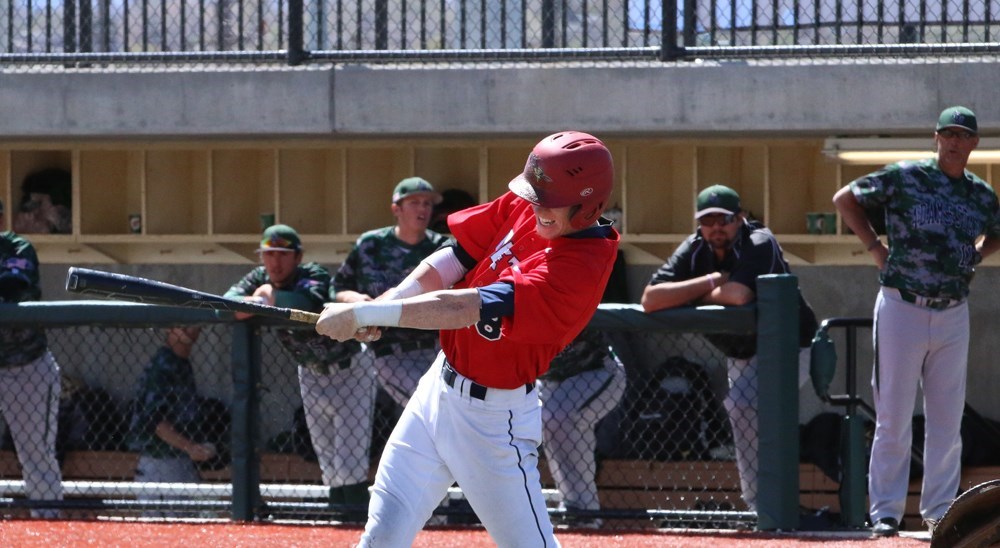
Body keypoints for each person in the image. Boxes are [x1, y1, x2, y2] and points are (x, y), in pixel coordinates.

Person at [316, 130, 620, 546]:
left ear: (588, 205)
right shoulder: (530, 200)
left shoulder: (581, 266)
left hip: (493, 423)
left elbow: (464, 307)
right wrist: (391, 300)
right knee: (382, 534)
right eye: (536, 197)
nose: (536, 208)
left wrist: (368, 313)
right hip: (436, 390)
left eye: (549, 203)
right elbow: (458, 255)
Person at [832, 106, 1000, 537]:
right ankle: (886, 511)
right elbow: (845, 199)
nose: (955, 142)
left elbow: (997, 228)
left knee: (946, 418)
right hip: (903, 304)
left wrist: (979, 253)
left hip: (952, 310)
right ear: (936, 137)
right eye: (948, 134)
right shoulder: (906, 175)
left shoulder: (981, 194)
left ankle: (940, 511)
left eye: (963, 135)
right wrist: (874, 247)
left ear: (975, 143)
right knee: (893, 414)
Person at [640, 184, 818, 513]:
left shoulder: (759, 240)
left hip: (790, 346)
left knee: (750, 410)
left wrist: (688, 293)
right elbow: (651, 299)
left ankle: (775, 506)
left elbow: (738, 295)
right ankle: (760, 507)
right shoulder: (694, 248)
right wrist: (711, 282)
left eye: (723, 219)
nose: (716, 227)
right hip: (741, 352)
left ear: (740, 219)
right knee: (742, 416)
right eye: (708, 221)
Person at [224, 224, 376, 515]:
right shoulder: (260, 279)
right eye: (269, 255)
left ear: (297, 256)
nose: (275, 263)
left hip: (349, 368)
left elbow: (307, 302)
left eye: (283, 255)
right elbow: (228, 303)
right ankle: (341, 526)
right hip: (310, 372)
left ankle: (360, 524)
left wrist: (267, 300)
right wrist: (260, 299)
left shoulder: (312, 274)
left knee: (350, 461)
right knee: (328, 462)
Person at [332, 177, 450, 409]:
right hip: (388, 349)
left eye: (427, 203)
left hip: (437, 348)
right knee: (431, 408)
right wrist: (355, 300)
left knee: (440, 410)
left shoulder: (441, 247)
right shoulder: (371, 244)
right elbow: (338, 287)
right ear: (396, 209)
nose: (423, 209)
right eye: (414, 202)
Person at [0, 198, 63, 518]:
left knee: (36, 457)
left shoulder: (17, 248)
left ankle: (49, 530)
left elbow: (14, 284)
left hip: (26, 368)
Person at [538, 329, 626, 528]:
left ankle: (581, 511)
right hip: (544, 380)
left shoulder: (567, 297)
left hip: (596, 371)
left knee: (560, 415)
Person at [128, 327, 216, 517]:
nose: (189, 328)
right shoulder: (164, 365)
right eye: (181, 322)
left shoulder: (180, 363)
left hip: (178, 462)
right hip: (160, 464)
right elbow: (156, 421)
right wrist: (191, 448)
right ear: (169, 327)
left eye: (192, 323)